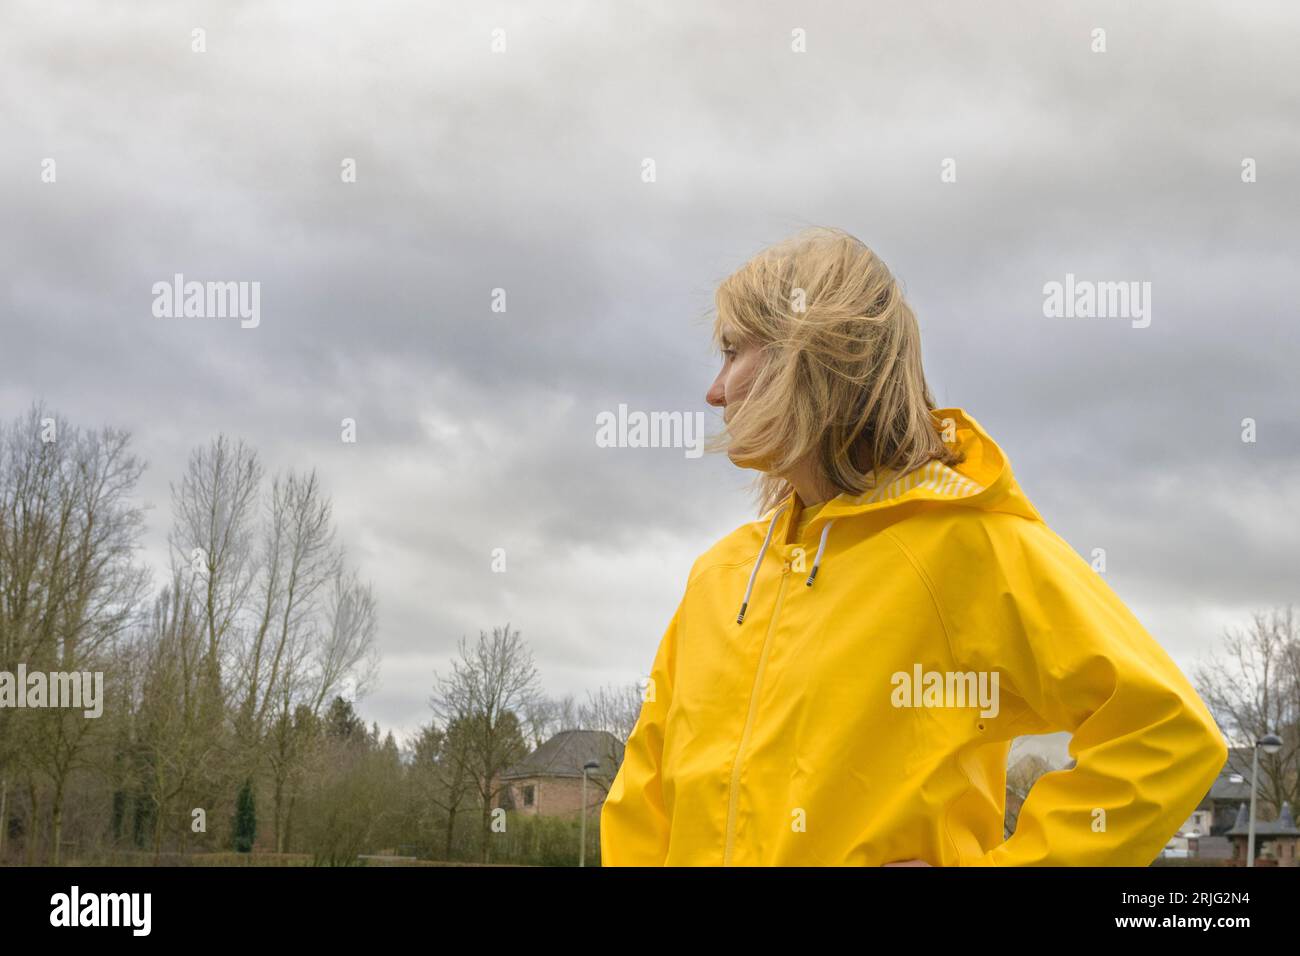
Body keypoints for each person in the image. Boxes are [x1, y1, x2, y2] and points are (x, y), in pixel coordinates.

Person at [599, 226, 1228, 866]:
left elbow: (1167, 736)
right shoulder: (719, 575)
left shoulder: (967, 545)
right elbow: (642, 803)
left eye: (733, 352)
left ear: (808, 354)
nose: (714, 390)